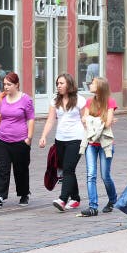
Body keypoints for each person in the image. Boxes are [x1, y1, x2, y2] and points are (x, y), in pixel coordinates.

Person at [39, 73, 86, 212]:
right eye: (57, 83)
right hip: (60, 139)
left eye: (61, 83)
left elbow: (85, 120)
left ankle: (63, 199)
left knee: (68, 169)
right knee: (67, 169)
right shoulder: (55, 100)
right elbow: (51, 119)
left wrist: (89, 139)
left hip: (76, 139)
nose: (59, 86)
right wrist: (43, 136)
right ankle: (76, 198)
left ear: (69, 85)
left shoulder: (79, 100)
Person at [0, 72, 35, 209]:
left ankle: (24, 193)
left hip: (20, 140)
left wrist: (29, 138)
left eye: (9, 84)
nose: (6, 87)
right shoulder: (1, 98)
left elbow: (30, 119)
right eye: (5, 84)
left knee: (21, 169)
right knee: (3, 168)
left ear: (17, 85)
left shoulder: (26, 99)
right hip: (2, 139)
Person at [78, 76, 117, 217]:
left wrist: (91, 120)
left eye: (93, 83)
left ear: (100, 87)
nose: (90, 85)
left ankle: (113, 200)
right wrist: (97, 120)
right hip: (91, 143)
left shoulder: (110, 102)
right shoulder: (89, 102)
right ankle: (93, 206)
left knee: (105, 176)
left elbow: (107, 123)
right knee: (91, 175)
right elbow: (84, 120)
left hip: (105, 143)